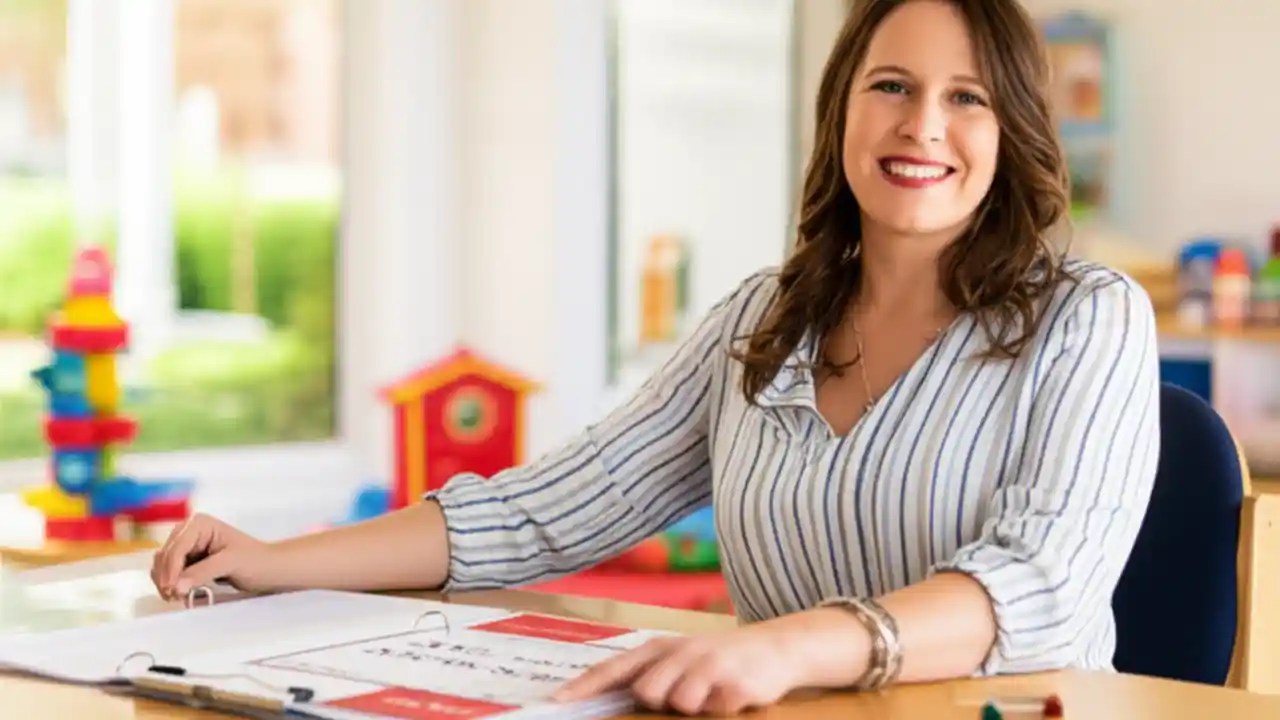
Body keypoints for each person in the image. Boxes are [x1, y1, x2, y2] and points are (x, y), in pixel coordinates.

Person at [151, 0, 1160, 715]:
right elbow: (544, 510)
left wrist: (791, 644)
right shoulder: (759, 322)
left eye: (967, 98)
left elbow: (1037, 583)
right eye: (889, 84)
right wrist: (274, 562)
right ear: (841, 112)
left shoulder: (1088, 319)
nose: (920, 125)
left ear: (1013, 129)